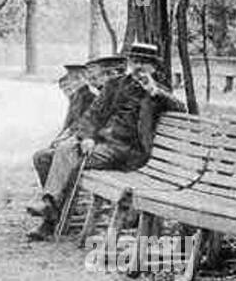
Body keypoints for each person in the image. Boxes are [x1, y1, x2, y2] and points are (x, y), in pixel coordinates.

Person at [27, 43, 185, 242]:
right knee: (42, 158)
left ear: (153, 67)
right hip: (102, 145)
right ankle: (51, 211)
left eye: (143, 63)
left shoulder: (159, 91)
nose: (137, 67)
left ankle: (49, 217)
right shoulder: (115, 85)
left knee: (65, 153)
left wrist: (154, 91)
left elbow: (182, 110)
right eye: (134, 61)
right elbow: (93, 115)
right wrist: (88, 137)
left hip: (127, 151)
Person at [31, 62, 101, 189]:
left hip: (83, 145)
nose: (72, 83)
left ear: (83, 79)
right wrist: (58, 139)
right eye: (71, 79)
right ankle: (52, 197)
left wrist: (63, 139)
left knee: (42, 158)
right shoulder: (77, 97)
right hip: (74, 143)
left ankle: (54, 198)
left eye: (75, 78)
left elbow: (81, 126)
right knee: (41, 156)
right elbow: (68, 126)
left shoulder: (88, 97)